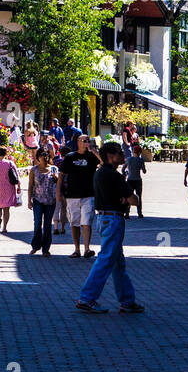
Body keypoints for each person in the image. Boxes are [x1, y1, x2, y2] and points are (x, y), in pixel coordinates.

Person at [75, 141, 144, 314]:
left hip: (103, 217)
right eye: (119, 153)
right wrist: (126, 198)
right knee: (106, 259)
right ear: (111, 156)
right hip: (113, 219)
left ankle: (127, 300)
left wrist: (123, 198)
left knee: (117, 263)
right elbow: (134, 199)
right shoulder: (114, 175)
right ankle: (87, 298)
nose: (122, 156)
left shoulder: (99, 173)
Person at [60, 134, 100, 257]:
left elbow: (104, 163)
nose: (86, 142)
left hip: (88, 195)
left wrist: (93, 150)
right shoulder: (70, 157)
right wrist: (58, 193)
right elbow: (61, 175)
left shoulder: (92, 157)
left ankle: (87, 249)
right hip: (72, 195)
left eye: (88, 140)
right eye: (84, 141)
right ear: (78, 142)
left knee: (86, 222)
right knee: (74, 223)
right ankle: (77, 249)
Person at [27, 147, 61, 255]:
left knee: (47, 225)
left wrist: (57, 178)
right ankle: (36, 245)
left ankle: (46, 248)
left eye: (46, 155)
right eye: (42, 155)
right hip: (37, 200)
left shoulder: (54, 169)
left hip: (50, 201)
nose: (44, 157)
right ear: (38, 157)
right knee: (37, 223)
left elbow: (59, 183)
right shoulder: (34, 170)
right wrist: (29, 200)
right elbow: (30, 185)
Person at [0, 145, 21, 231]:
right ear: (6, 153)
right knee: (6, 209)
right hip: (9, 187)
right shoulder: (10, 163)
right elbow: (17, 176)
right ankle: (4, 228)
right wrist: (19, 186)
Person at [123, 142, 147, 218]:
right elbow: (144, 171)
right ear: (139, 152)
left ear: (133, 151)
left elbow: (123, 169)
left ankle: (127, 213)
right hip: (138, 180)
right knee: (139, 196)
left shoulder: (128, 159)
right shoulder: (140, 160)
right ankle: (139, 213)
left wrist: (126, 173)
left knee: (128, 196)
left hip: (130, 180)